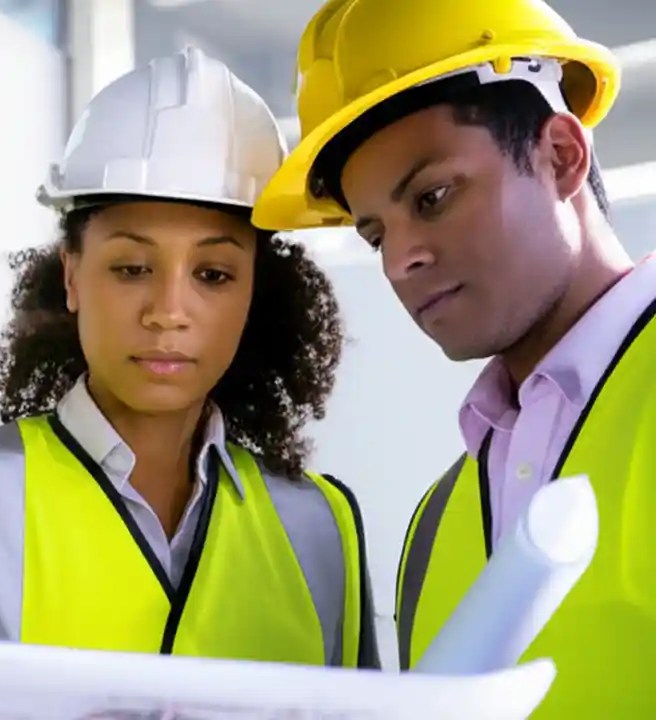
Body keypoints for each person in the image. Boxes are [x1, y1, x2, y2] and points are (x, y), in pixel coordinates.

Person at [0, 47, 379, 668]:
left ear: (257, 292)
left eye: (213, 273)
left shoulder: (320, 525)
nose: (168, 311)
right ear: (72, 276)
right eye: (131, 268)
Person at [251, 0, 653, 715]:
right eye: (375, 235)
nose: (402, 260)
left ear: (560, 155)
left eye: (432, 198)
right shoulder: (434, 528)